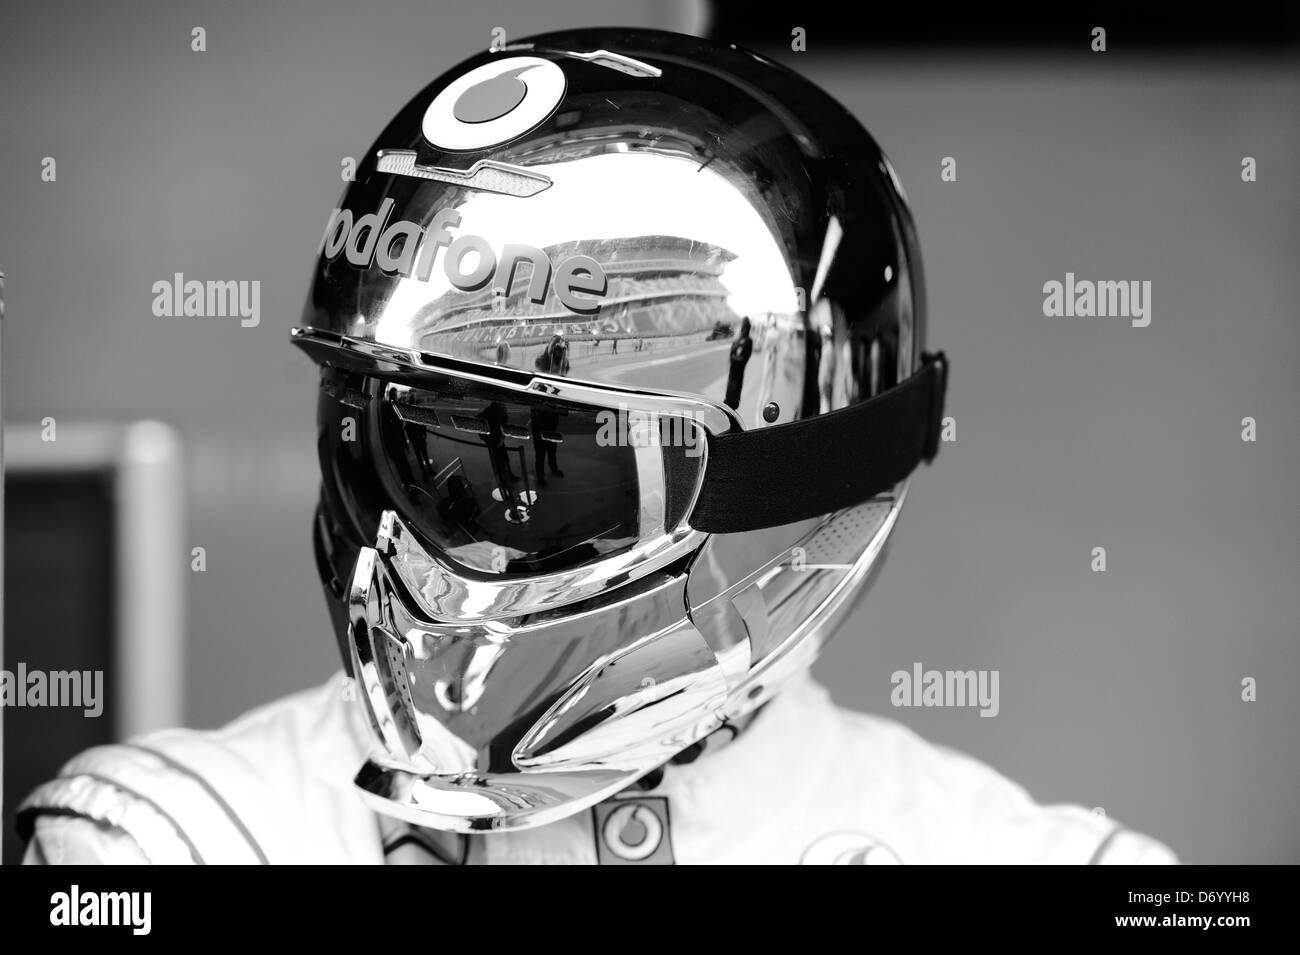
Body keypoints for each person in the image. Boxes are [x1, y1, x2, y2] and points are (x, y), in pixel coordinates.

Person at [19, 28, 1175, 865]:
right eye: (391, 436)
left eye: (517, 460)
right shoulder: (156, 841)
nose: (406, 533)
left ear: (789, 479)